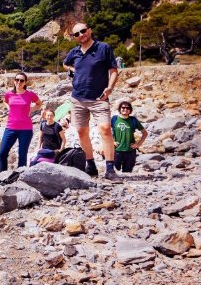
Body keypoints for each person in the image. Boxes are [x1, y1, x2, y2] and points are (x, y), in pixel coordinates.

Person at [62, 21, 120, 180]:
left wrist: (109, 88)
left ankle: (110, 169)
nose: (81, 35)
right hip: (77, 99)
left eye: (83, 31)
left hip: (99, 98)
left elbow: (114, 71)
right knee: (81, 132)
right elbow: (65, 64)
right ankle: (91, 165)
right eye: (77, 34)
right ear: (74, 38)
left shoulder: (104, 48)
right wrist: (73, 70)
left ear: (90, 30)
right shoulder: (74, 52)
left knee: (105, 130)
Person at [0, 72, 42, 171]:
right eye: (17, 80)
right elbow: (4, 101)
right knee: (2, 153)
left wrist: (32, 109)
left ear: (25, 83)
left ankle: (19, 177)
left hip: (25, 129)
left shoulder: (30, 94)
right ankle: (2, 176)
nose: (19, 82)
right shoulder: (9, 94)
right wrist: (8, 107)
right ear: (14, 81)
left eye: (21, 80)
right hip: (10, 128)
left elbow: (39, 103)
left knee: (22, 155)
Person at [111, 101, 148, 173]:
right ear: (120, 109)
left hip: (130, 151)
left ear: (130, 110)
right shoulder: (114, 119)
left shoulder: (133, 120)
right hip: (117, 150)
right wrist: (112, 141)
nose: (125, 109)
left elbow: (145, 133)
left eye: (127, 108)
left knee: (127, 172)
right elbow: (106, 131)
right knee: (116, 169)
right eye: (123, 107)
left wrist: (138, 144)